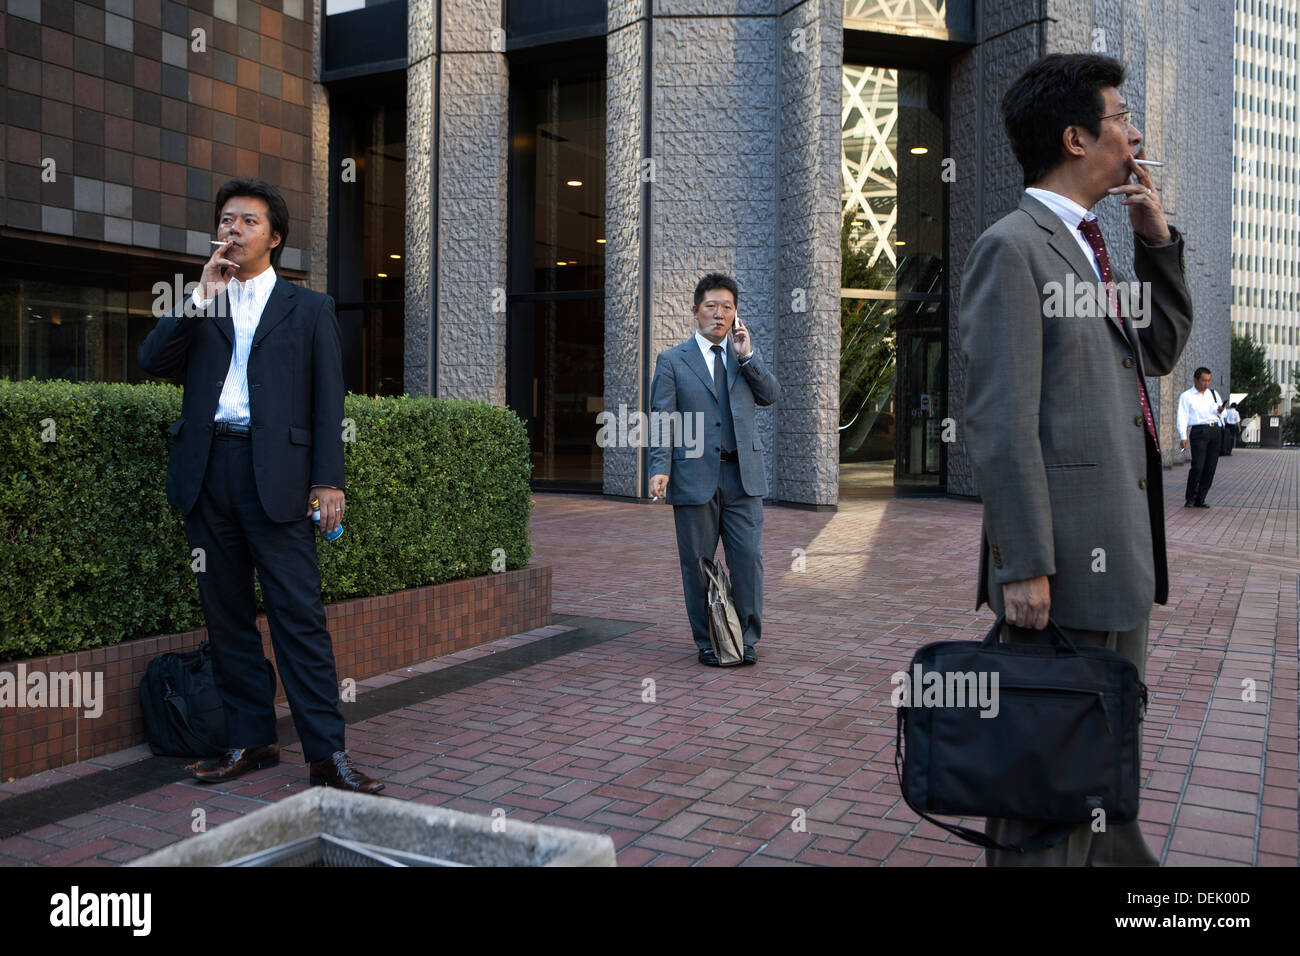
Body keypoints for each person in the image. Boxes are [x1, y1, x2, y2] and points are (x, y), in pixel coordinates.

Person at [959, 54, 1193, 865]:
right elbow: (999, 420)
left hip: (1120, 567)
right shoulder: (1012, 249)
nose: (1135, 134)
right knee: (1043, 793)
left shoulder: (1092, 246)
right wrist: (1023, 562)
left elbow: (1157, 351)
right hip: (1062, 577)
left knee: (1100, 769)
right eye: (1123, 116)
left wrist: (1157, 245)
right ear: (1074, 136)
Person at [139, 178, 383, 793]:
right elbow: (151, 362)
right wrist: (200, 297)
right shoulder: (204, 303)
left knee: (299, 618)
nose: (233, 230)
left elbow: (329, 401)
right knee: (226, 619)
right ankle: (251, 740)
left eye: (247, 221)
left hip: (277, 476)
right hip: (206, 472)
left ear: (274, 237)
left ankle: (327, 756)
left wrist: (330, 481)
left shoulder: (309, 309)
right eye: (226, 220)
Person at [649, 273, 781, 666]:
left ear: (735, 313)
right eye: (711, 306)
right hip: (693, 478)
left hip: (744, 478)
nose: (719, 314)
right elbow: (662, 419)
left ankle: (746, 638)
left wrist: (748, 356)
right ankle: (708, 642)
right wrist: (660, 468)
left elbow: (770, 395)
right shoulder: (673, 361)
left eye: (727, 307)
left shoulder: (742, 357)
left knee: (748, 562)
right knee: (698, 565)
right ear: (695, 311)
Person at [1176, 367, 1226, 507]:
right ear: (1196, 379)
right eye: (1204, 380)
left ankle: (1201, 498)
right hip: (1199, 432)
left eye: (1209, 380)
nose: (1206, 383)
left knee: (1210, 467)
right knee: (1197, 466)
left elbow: (1223, 414)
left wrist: (1221, 411)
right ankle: (1191, 497)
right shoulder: (1186, 396)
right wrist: (1183, 436)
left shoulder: (1213, 394)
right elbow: (1182, 416)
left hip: (1214, 431)